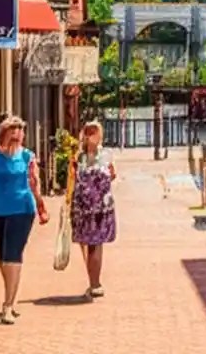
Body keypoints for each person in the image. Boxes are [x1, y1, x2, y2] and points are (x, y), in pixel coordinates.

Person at [0, 115, 48, 324]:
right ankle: (11, 294)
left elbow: (34, 183)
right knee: (2, 257)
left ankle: (8, 305)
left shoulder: (27, 157)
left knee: (12, 254)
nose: (17, 140)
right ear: (3, 135)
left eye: (20, 136)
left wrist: (41, 206)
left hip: (21, 209)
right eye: (13, 136)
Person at [69, 119, 117, 300]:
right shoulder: (78, 157)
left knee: (96, 244)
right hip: (82, 208)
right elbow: (72, 180)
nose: (93, 137)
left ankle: (95, 283)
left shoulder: (106, 155)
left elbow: (112, 174)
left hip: (101, 208)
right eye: (89, 133)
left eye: (96, 133)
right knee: (87, 244)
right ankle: (93, 281)